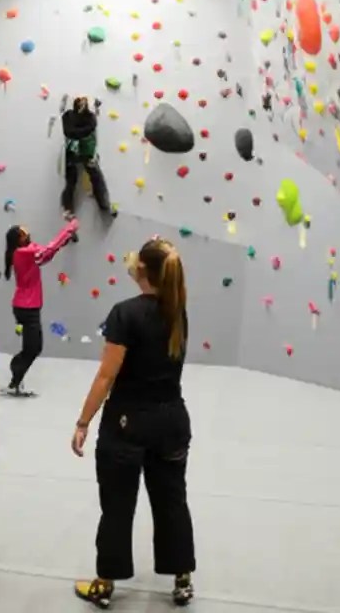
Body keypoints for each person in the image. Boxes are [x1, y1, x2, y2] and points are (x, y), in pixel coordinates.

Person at [70, 238, 196, 608]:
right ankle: (182, 580)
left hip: (127, 425)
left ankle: (105, 584)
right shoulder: (178, 311)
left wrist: (82, 421)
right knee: (172, 500)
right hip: (171, 421)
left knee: (118, 504)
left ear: (141, 271)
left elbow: (106, 376)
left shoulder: (124, 313)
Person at [3, 218, 79, 396]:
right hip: (27, 308)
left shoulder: (22, 252)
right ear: (19, 239)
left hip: (25, 306)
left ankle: (16, 378)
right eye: (23, 232)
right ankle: (16, 372)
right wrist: (68, 229)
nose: (27, 232)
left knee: (32, 346)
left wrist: (66, 239)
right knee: (34, 347)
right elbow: (49, 250)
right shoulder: (24, 253)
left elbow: (48, 254)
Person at [62, 96, 114, 219]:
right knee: (71, 180)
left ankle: (104, 204)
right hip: (73, 152)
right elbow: (69, 131)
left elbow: (87, 128)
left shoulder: (88, 117)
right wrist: (81, 132)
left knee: (96, 177)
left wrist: (78, 133)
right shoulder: (69, 116)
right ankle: (68, 208)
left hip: (86, 151)